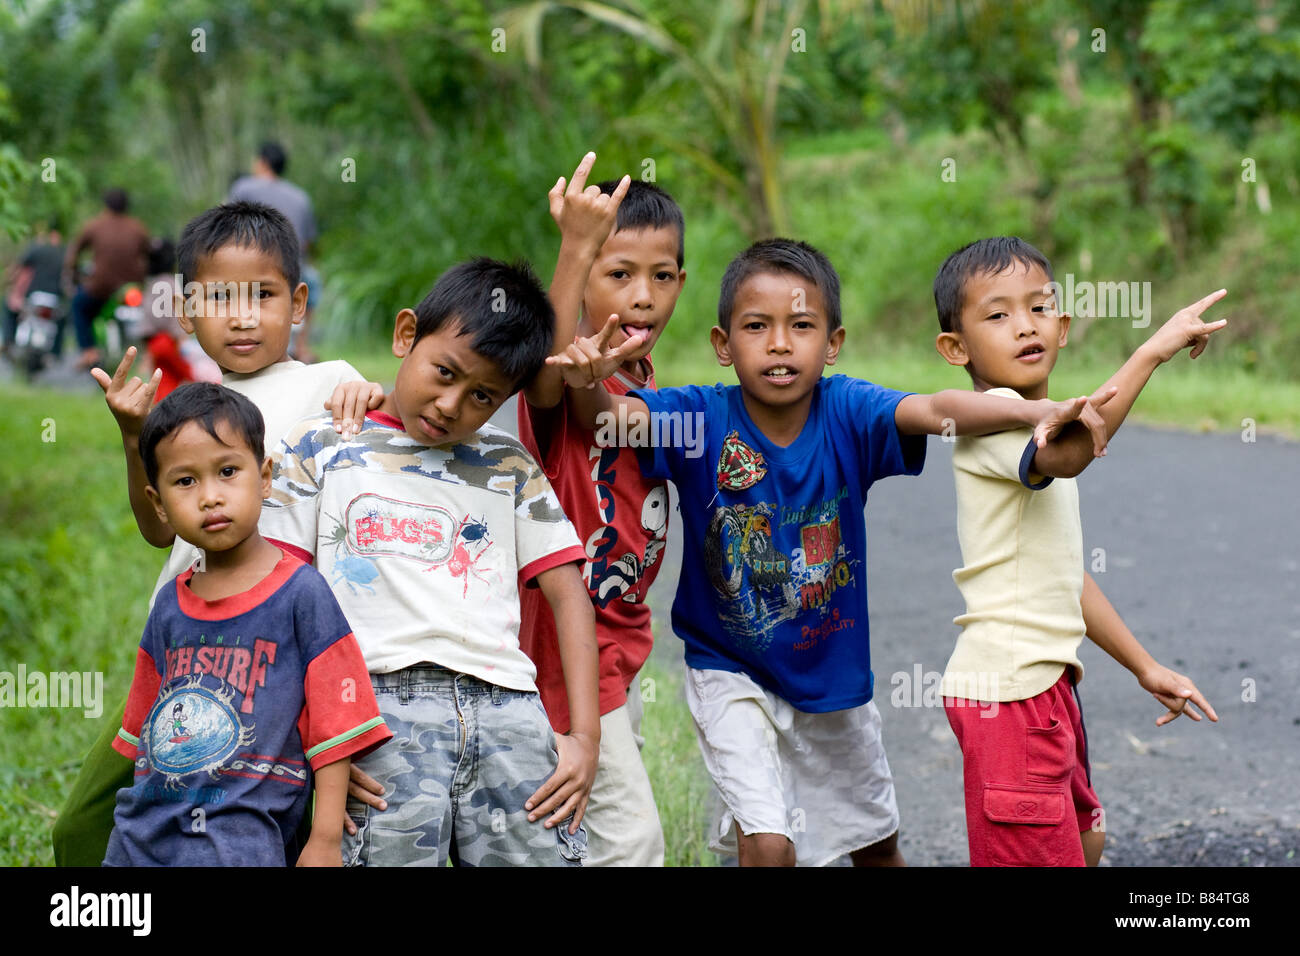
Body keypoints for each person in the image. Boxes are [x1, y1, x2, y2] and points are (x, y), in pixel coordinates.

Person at [547, 237, 1114, 867]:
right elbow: (612, 420)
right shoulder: (698, 418)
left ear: (834, 343)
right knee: (768, 843)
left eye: (802, 326)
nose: (781, 343)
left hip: (832, 676)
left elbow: (935, 408)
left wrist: (1037, 410)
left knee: (875, 846)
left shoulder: (849, 410)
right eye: (757, 327)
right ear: (722, 345)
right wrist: (588, 382)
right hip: (727, 666)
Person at [52, 200, 383, 867]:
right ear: (188, 310)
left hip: (275, 656)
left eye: (260, 295)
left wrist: (370, 395)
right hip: (182, 649)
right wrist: (132, 436)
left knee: (250, 835)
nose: (240, 315)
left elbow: (380, 477)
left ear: (297, 304)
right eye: (219, 297)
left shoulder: (330, 381)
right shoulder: (189, 410)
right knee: (82, 827)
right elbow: (156, 531)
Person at [259, 257, 601, 867]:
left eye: (482, 396)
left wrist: (585, 739)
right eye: (444, 372)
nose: (450, 405)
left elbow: (568, 592)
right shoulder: (325, 444)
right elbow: (280, 593)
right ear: (405, 335)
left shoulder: (509, 465)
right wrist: (316, 735)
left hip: (508, 713)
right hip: (376, 713)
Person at [930, 236, 1223, 867]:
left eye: (1038, 308)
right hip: (1006, 695)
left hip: (1045, 686)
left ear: (1062, 327)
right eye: (998, 314)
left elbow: (1067, 578)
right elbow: (1070, 452)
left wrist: (1145, 666)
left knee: (1085, 839)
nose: (1025, 326)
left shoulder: (1028, 415)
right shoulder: (992, 418)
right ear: (956, 348)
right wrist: (1149, 352)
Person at [104, 383, 392, 865]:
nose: (210, 497)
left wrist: (323, 839)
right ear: (158, 504)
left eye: (228, 472)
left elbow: (334, 723)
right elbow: (144, 738)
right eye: (185, 482)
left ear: (265, 478)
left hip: (241, 835)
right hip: (143, 836)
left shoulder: (301, 593)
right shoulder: (170, 607)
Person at [513, 153, 677, 865]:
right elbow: (561, 383)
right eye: (619, 275)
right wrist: (575, 248)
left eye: (663, 276)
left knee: (564, 842)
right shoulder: (567, 371)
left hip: (620, 650)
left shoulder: (644, 380)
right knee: (631, 842)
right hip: (563, 656)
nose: (643, 296)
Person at [229, 142, 321, 363]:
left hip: (251, 266)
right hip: (293, 268)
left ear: (262, 162)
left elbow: (228, 227)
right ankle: (302, 346)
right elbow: (308, 242)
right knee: (314, 285)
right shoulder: (301, 197)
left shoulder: (244, 187)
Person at [62, 188, 151, 370]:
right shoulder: (138, 228)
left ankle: (89, 352)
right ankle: (146, 357)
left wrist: (72, 273)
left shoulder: (95, 225)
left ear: (106, 205)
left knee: (79, 306)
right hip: (131, 289)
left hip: (100, 288)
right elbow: (149, 254)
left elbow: (74, 253)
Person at [135, 237, 219, 401]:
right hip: (168, 343)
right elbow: (174, 318)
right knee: (193, 377)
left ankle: (163, 411)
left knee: (164, 381)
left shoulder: (150, 285)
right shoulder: (171, 284)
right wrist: (181, 339)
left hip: (154, 344)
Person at [2, 221, 65, 354]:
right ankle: (56, 353)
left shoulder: (36, 249)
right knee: (62, 319)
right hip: (55, 296)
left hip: (34, 294)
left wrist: (10, 278)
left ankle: (8, 340)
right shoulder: (63, 253)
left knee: (9, 307)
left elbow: (18, 268)